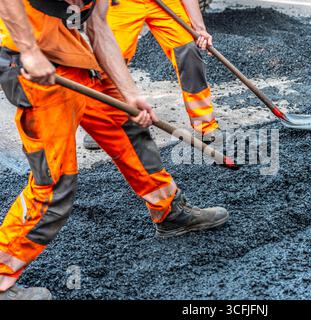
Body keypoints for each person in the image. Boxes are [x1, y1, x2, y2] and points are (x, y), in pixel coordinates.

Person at [0, 0, 228, 300]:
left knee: (128, 128)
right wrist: (29, 50)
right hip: (31, 66)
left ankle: (168, 210)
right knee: (55, 183)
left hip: (75, 59)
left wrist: (130, 93)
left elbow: (98, 27)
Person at [83, 0, 220, 150]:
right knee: (110, 58)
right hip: (122, 4)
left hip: (166, 3)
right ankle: (102, 123)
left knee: (188, 53)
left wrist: (199, 28)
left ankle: (205, 124)